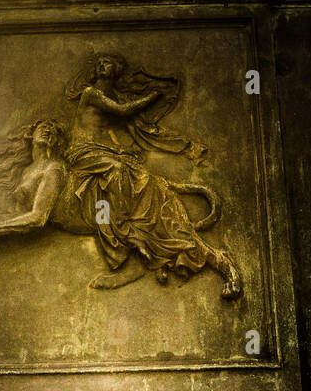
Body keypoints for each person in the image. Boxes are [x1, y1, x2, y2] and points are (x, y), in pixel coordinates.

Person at [62, 54, 241, 298]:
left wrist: (124, 150)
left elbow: (114, 130)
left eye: (109, 63)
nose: (104, 65)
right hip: (82, 151)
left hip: (100, 151)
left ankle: (135, 226)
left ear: (116, 71)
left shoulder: (111, 96)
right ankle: (123, 224)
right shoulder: (91, 93)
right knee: (116, 170)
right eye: (101, 62)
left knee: (135, 172)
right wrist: (152, 97)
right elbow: (122, 111)